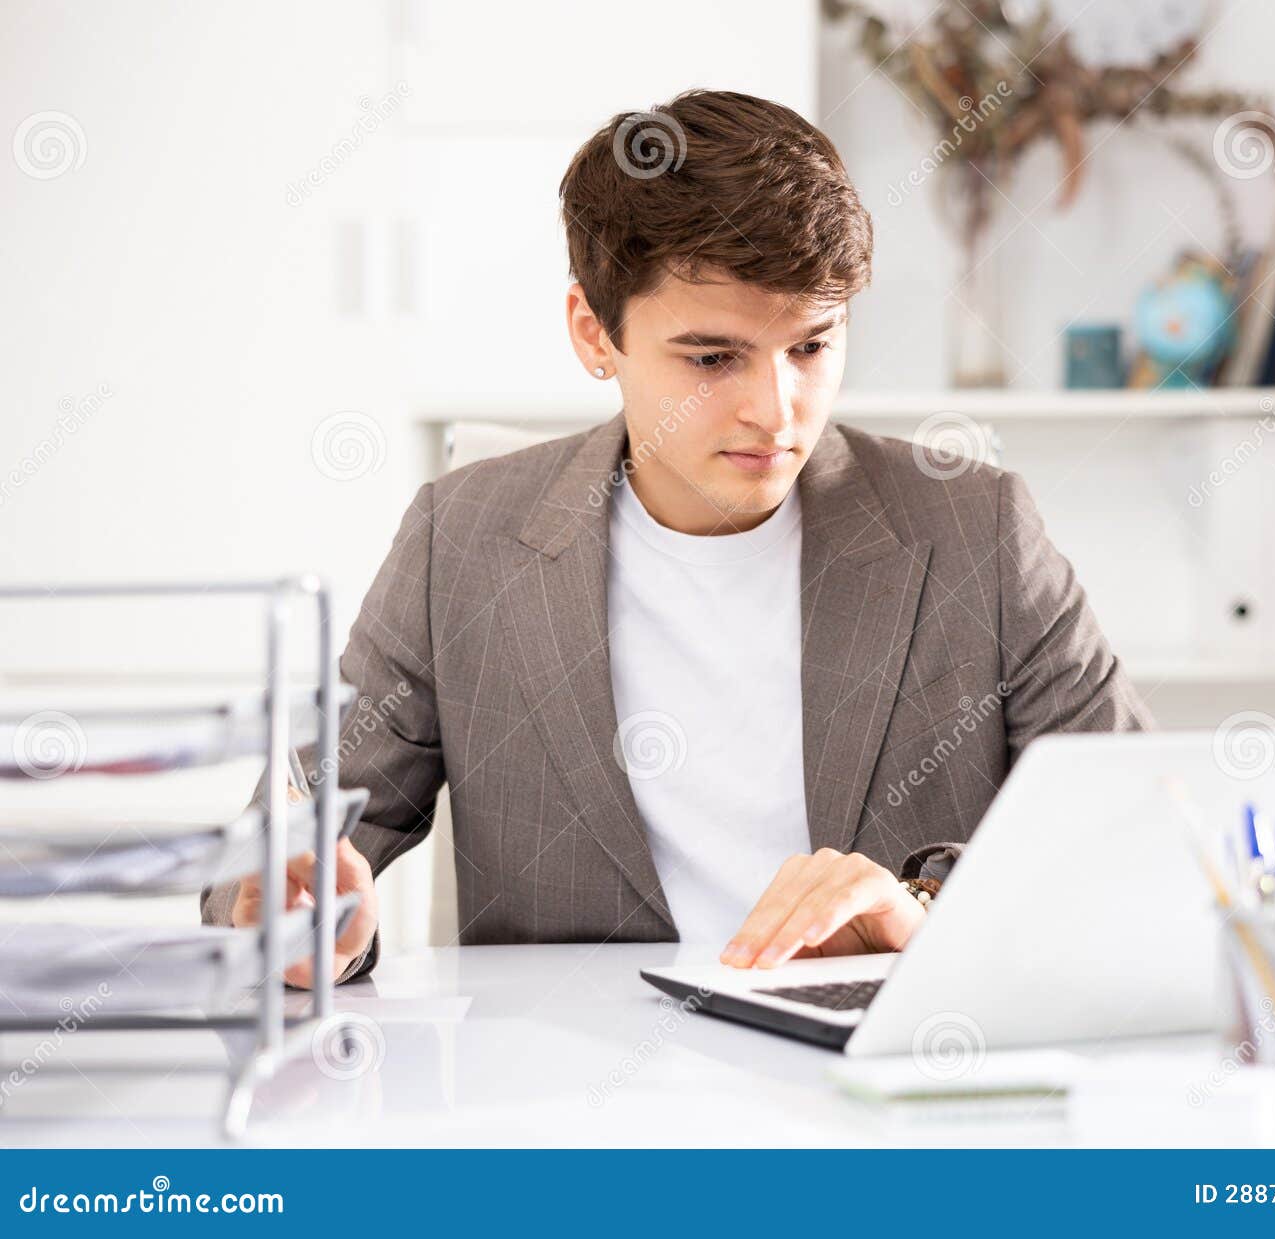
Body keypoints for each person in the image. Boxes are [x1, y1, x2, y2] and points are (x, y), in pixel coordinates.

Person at [202, 89, 1149, 986]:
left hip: (875, 1096)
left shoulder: (975, 531)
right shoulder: (464, 543)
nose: (775, 410)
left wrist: (928, 909)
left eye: (811, 346)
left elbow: (1143, 839)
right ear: (593, 332)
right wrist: (291, 923)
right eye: (712, 357)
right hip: (579, 1104)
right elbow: (274, 854)